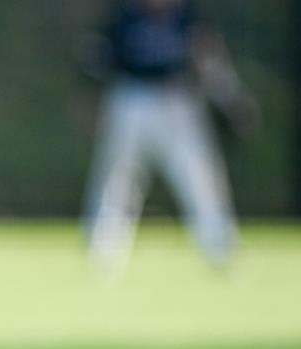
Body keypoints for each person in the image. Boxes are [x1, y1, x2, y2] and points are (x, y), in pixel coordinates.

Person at [79, 0, 254, 272]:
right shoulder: (125, 15)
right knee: (117, 178)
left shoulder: (187, 17)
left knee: (200, 177)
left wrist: (229, 98)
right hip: (132, 100)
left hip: (178, 100)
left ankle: (220, 247)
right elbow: (100, 61)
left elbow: (209, 60)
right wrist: (91, 101)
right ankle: (103, 252)